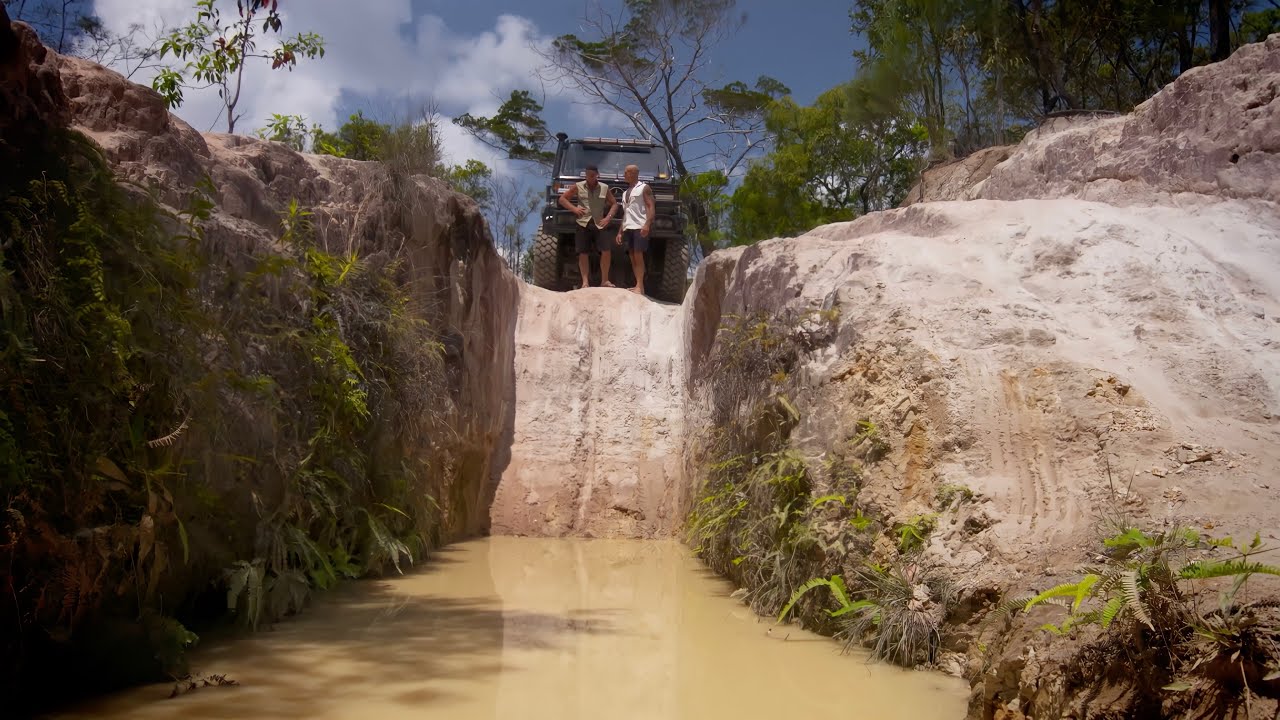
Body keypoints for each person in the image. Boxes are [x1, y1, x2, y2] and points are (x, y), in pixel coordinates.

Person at [558, 164, 618, 289]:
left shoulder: (604, 188)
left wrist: (608, 217)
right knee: (583, 252)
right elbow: (562, 199)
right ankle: (585, 282)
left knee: (606, 251)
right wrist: (574, 209)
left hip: (599, 223)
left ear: (597, 175)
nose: (589, 177)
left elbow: (614, 204)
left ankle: (605, 280)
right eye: (587, 175)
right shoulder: (578, 186)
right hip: (583, 222)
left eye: (592, 175)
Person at [615, 164, 655, 295]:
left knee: (638, 255)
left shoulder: (644, 188)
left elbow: (650, 206)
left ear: (633, 173)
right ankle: (638, 284)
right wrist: (620, 231)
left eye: (626, 172)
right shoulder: (625, 193)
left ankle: (640, 286)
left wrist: (647, 224)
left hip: (640, 225)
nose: (624, 175)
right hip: (628, 227)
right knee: (632, 256)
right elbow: (625, 213)